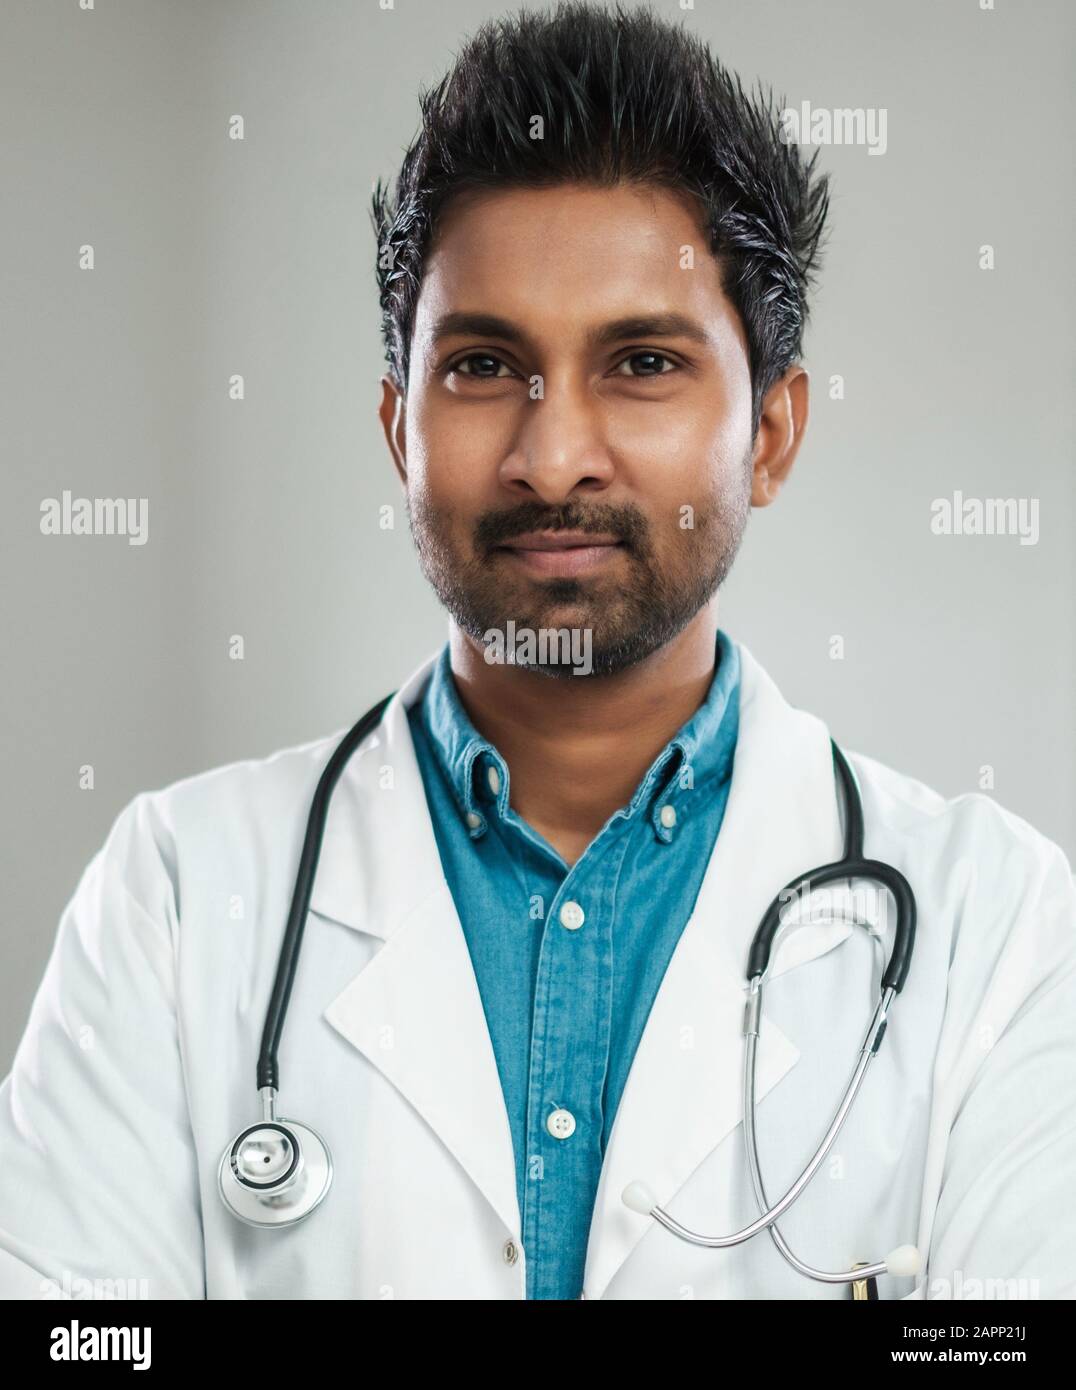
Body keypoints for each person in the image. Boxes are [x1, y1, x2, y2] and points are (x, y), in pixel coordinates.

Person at [1, 1, 1073, 1301]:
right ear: (399, 428)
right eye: (485, 363)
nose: (553, 453)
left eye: (641, 361)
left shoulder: (992, 926)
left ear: (773, 433)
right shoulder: (177, 896)